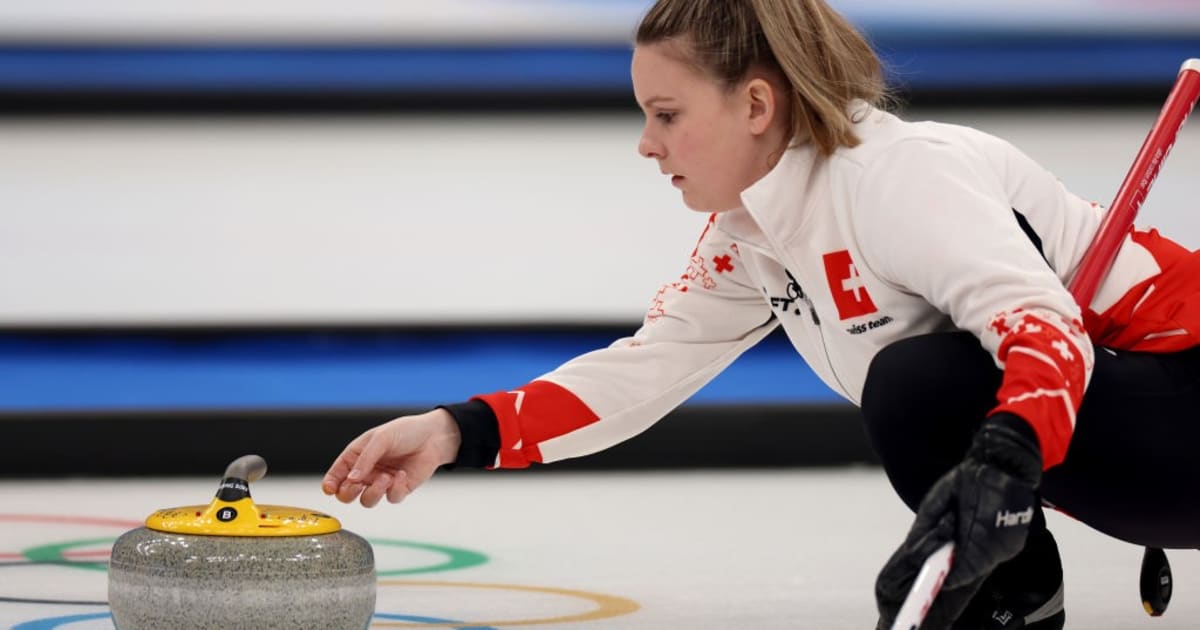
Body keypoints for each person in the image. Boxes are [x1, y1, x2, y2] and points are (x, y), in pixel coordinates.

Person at [322, 0, 1200, 627]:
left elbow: (1039, 323)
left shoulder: (897, 174)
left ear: (755, 103)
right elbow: (646, 369)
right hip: (1131, 443)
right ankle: (1017, 593)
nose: (646, 143)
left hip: (1183, 391)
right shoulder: (753, 231)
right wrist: (455, 430)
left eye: (666, 114)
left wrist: (1004, 467)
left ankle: (1010, 588)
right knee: (921, 384)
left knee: (917, 380)